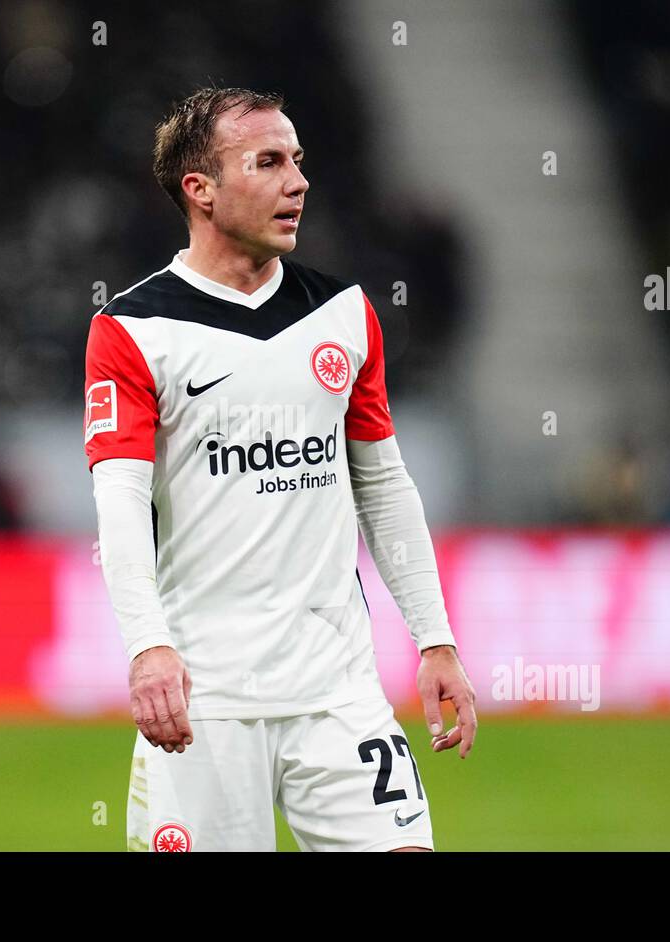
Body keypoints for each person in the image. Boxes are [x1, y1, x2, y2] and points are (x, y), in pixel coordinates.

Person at [83, 87, 477, 852]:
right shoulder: (134, 329)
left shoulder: (344, 313)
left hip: (338, 692)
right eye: (267, 162)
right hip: (208, 700)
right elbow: (121, 500)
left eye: (297, 161)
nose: (297, 181)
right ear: (199, 189)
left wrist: (434, 638)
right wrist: (146, 647)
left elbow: (384, 488)